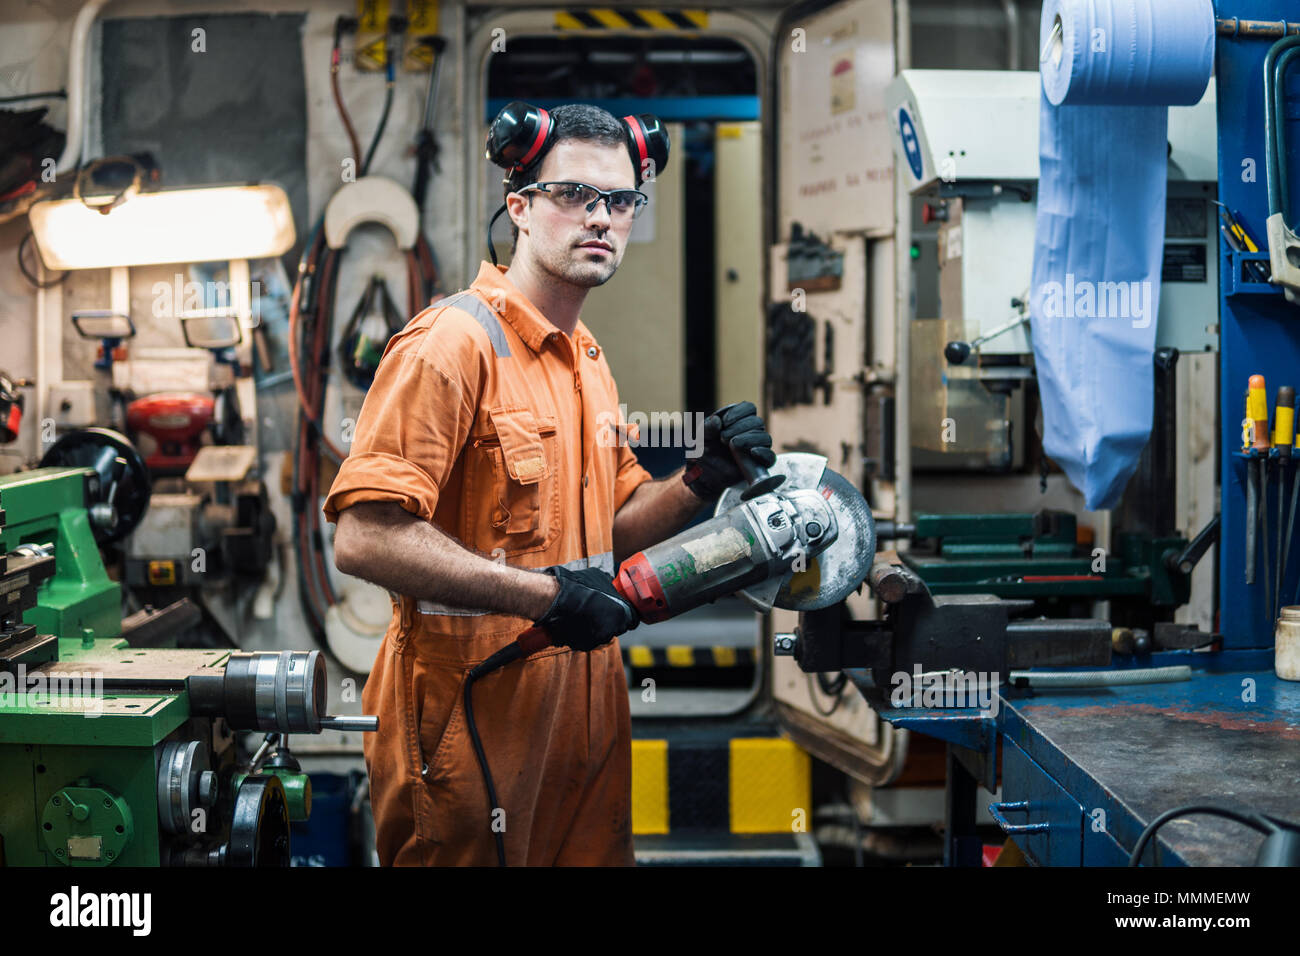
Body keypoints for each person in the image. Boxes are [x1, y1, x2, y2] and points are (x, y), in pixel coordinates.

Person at [325, 103, 774, 865]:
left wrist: (701, 481)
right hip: (472, 711)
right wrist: (548, 598)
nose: (600, 217)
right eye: (572, 194)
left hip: (582, 709)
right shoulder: (451, 344)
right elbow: (366, 538)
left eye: (620, 200)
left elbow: (614, 527)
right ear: (520, 208)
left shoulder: (584, 354)